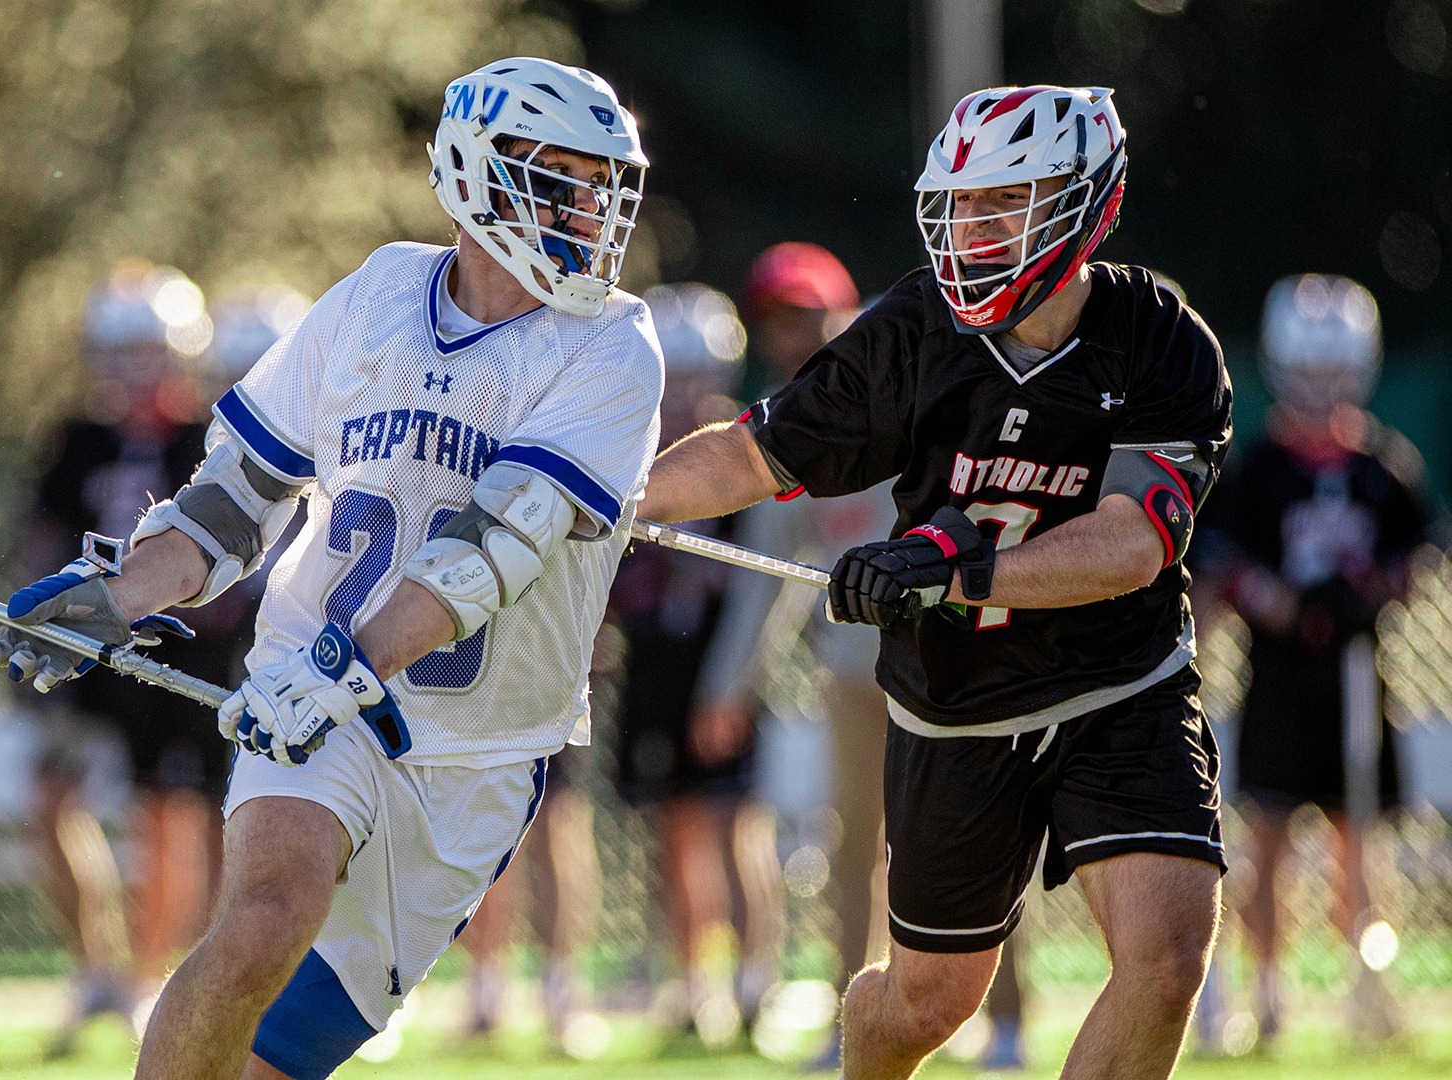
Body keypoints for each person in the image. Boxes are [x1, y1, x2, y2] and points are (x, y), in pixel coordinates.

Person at [0, 57, 659, 1080]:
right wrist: (120, 594)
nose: (591, 209)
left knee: (282, 1061)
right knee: (259, 926)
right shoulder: (377, 293)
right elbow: (237, 495)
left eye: (601, 186)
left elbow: (490, 551)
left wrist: (344, 663)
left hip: (475, 752)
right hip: (315, 701)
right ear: (477, 173)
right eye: (562, 179)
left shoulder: (612, 346)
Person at [638, 84, 1232, 1079]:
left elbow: (1134, 544)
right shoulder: (914, 328)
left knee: (1166, 955)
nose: (972, 227)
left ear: (1086, 203)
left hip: (1120, 681)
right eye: (960, 204)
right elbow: (758, 455)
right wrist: (610, 497)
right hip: (956, 702)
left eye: (1004, 202)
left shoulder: (1162, 339)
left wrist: (957, 568)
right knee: (923, 1003)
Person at [1197, 274, 1435, 1047]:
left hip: (1361, 681)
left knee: (1358, 842)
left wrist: (1373, 588)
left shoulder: (1384, 468)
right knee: (1263, 835)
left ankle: (1369, 988)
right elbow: (1222, 559)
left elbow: (1418, 552)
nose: (1323, 392)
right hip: (1279, 680)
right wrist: (1273, 599)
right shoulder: (1260, 468)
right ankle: (1265, 994)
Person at [22, 261, 243, 1053]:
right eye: (119, 351)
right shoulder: (76, 441)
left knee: (170, 815)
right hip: (86, 651)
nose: (133, 369)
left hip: (176, 651)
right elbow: (42, 539)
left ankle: (149, 977)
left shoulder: (208, 436)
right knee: (50, 800)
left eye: (147, 350)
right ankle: (96, 970)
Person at [603, 282, 783, 1044]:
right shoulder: (626, 445)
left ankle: (756, 985)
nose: (680, 394)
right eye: (668, 376)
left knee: (737, 825)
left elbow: (757, 575)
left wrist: (731, 683)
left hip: (720, 662)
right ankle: (692, 986)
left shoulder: (739, 450)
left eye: (693, 375)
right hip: (653, 659)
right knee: (673, 827)